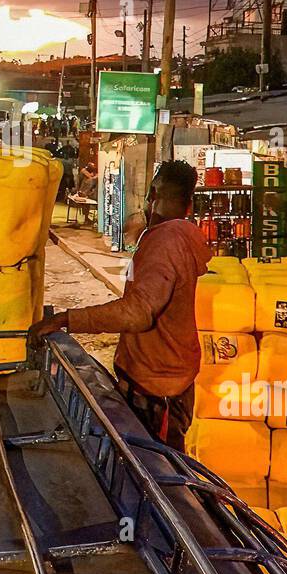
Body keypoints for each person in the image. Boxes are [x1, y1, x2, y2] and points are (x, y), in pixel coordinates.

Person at [28, 161, 210, 450]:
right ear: (189, 204)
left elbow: (137, 312)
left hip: (157, 387)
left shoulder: (167, 242)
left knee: (155, 468)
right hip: (161, 376)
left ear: (153, 194)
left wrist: (66, 319)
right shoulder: (176, 236)